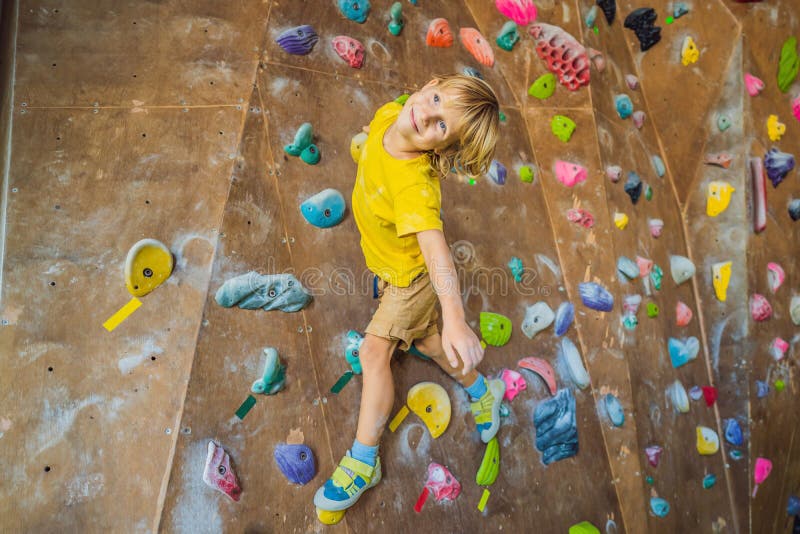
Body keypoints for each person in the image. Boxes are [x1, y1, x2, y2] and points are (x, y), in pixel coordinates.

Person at [314, 74, 503, 513]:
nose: (425, 114)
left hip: (409, 281)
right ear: (428, 84)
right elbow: (399, 114)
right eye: (434, 99)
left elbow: (438, 255)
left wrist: (456, 317)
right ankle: (480, 389)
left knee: (374, 352)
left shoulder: (415, 188)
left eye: (441, 125)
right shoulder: (393, 114)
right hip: (388, 264)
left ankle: (363, 462)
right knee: (426, 342)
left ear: (443, 150)